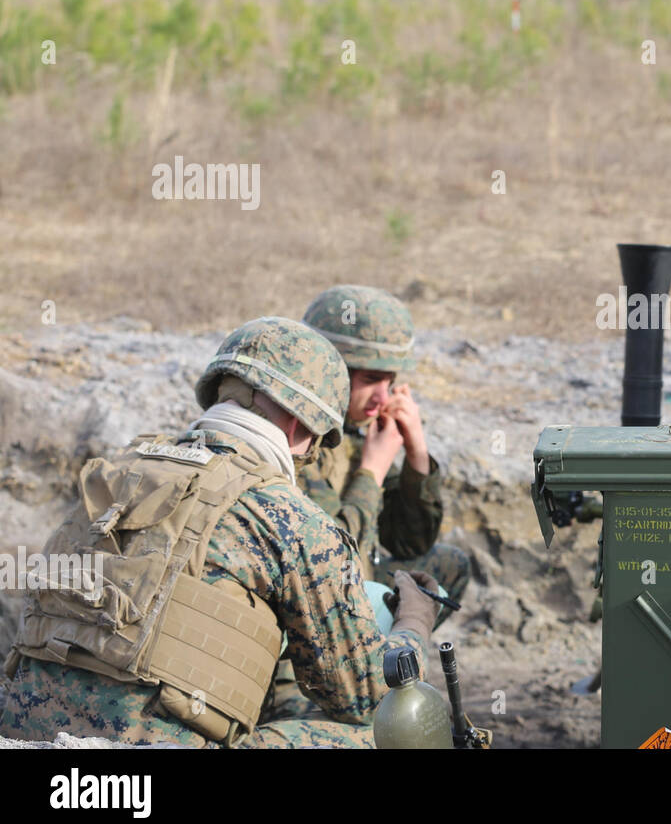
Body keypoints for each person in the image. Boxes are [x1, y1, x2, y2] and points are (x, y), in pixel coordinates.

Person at [0, 317, 441, 747]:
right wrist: (413, 623)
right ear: (299, 425)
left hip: (25, 725)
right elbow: (366, 698)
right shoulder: (288, 517)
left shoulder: (118, 472)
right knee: (396, 734)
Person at [297, 285, 470, 616]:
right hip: (316, 601)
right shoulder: (298, 439)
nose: (382, 398)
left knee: (448, 565)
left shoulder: (352, 434)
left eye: (388, 383)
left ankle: (383, 661)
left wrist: (416, 454)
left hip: (351, 583)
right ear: (330, 370)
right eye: (371, 379)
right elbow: (332, 563)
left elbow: (409, 542)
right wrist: (371, 472)